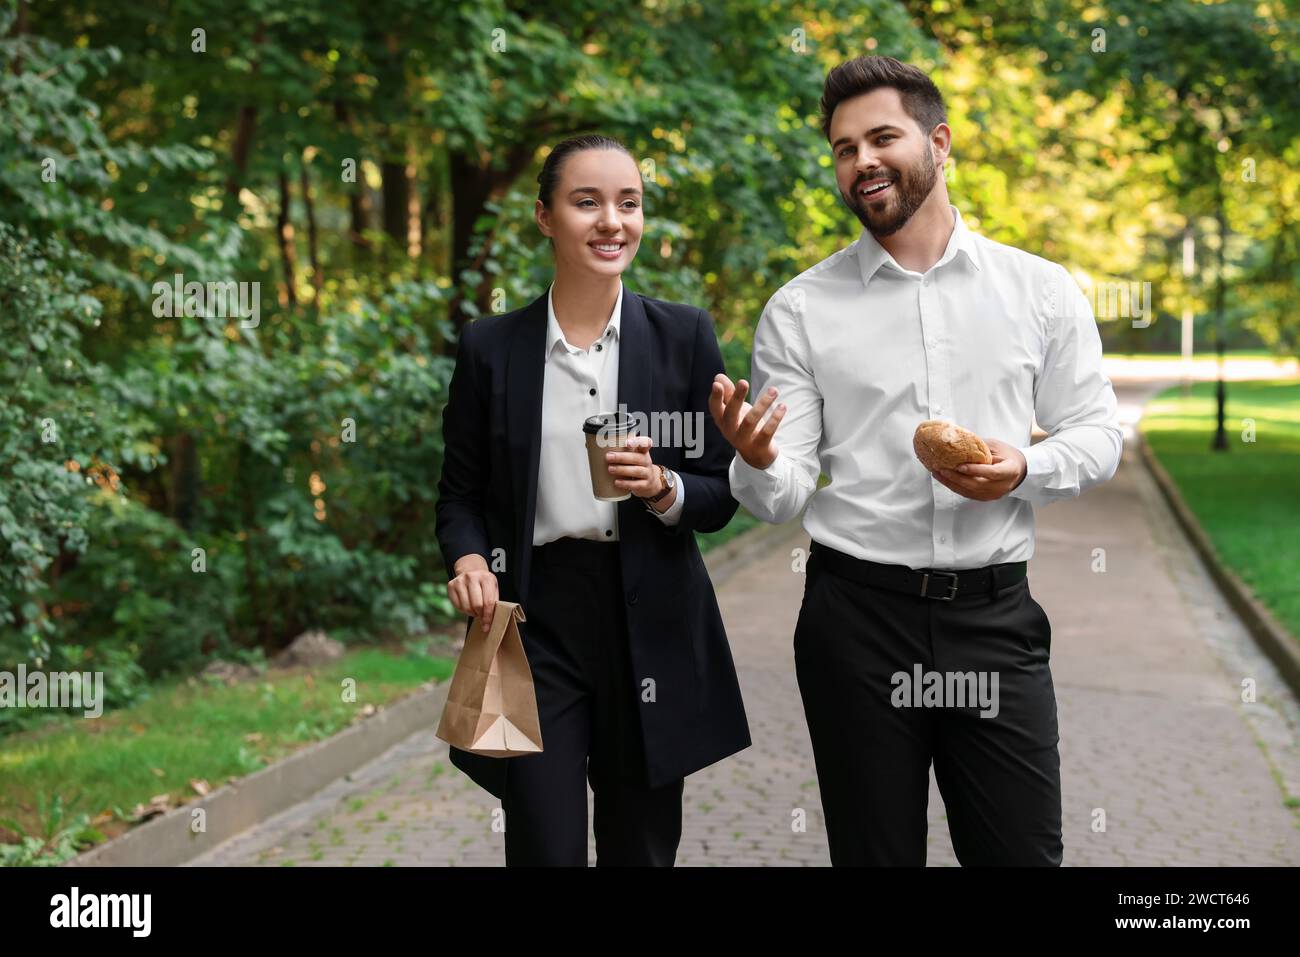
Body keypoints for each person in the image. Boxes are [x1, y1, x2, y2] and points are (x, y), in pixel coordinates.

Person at [710, 56, 1122, 866]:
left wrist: (1023, 470)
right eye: (842, 147)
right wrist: (756, 460)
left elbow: (1097, 432)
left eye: (881, 137)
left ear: (937, 143)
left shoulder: (1038, 291)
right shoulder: (801, 309)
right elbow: (782, 490)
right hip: (856, 622)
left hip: (994, 622)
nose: (860, 160)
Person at [435, 134, 750, 866]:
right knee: (543, 844)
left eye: (629, 203)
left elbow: (723, 487)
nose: (613, 221)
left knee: (640, 849)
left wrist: (666, 488)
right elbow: (459, 493)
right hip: (532, 623)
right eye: (588, 202)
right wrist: (470, 556)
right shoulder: (491, 347)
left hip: (652, 617)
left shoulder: (683, 335)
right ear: (546, 216)